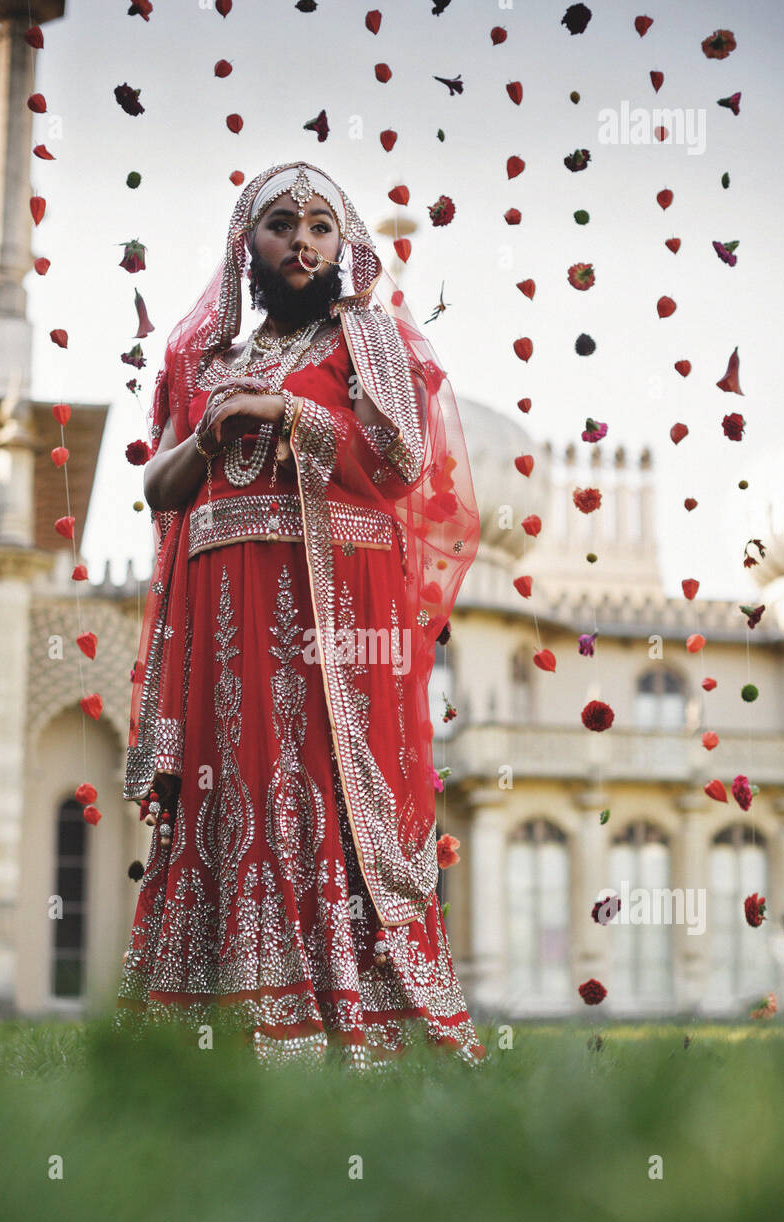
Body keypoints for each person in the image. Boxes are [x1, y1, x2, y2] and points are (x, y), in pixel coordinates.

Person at [114, 160, 485, 1069]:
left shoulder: (368, 342)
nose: (304, 242)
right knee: (227, 780)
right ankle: (221, 1015)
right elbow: (160, 488)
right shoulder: (205, 361)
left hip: (331, 602)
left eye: (322, 226)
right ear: (249, 244)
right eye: (283, 224)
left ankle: (353, 1014)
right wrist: (214, 428)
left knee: (325, 784)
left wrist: (285, 413)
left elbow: (400, 461)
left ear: (342, 245)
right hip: (220, 611)